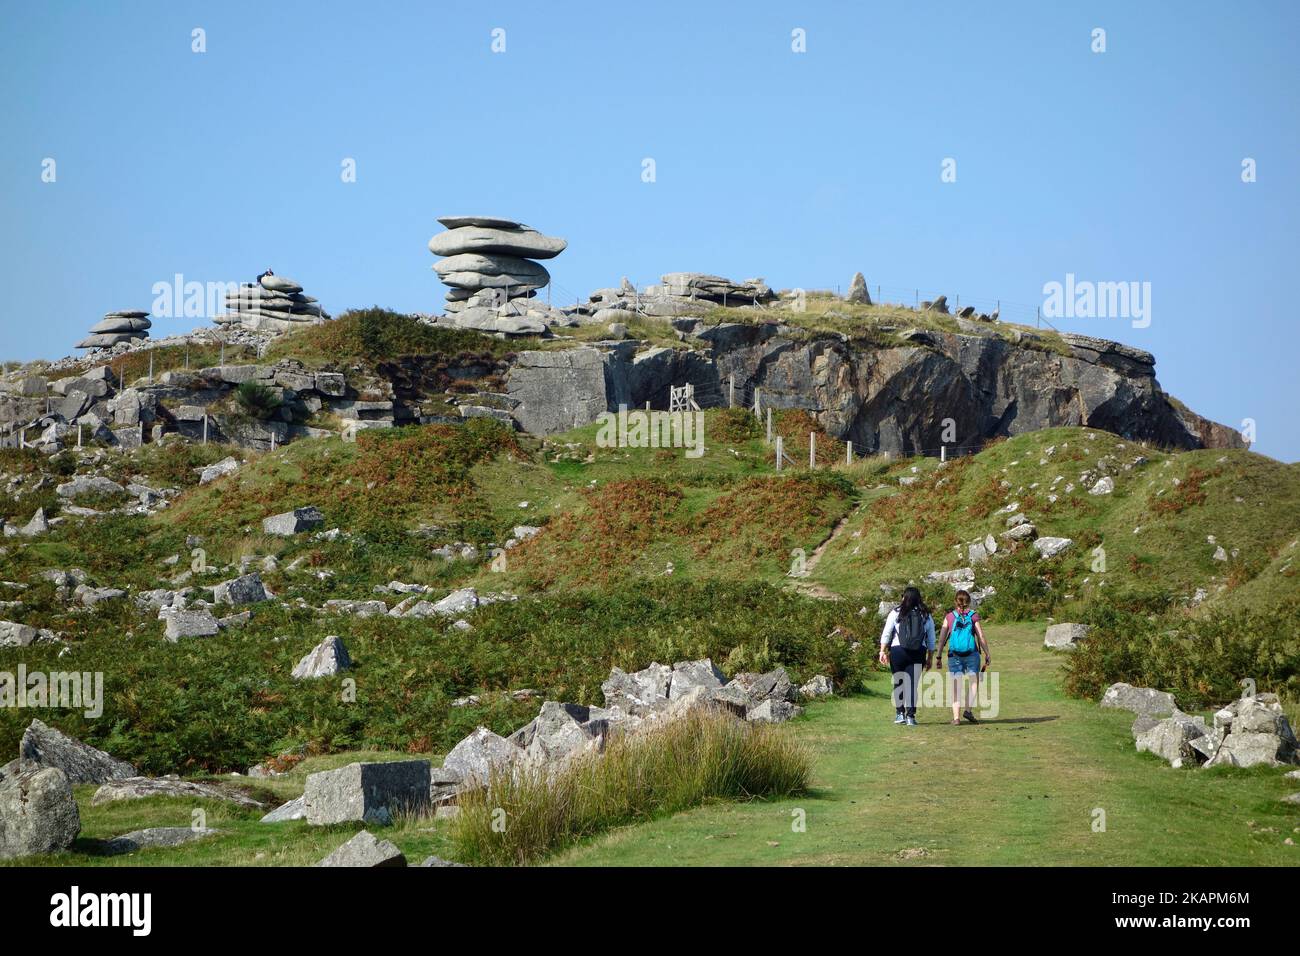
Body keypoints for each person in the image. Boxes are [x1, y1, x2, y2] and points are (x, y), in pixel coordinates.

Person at [878, 586, 934, 726]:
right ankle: (911, 716)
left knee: (899, 682)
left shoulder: (896, 612)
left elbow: (887, 633)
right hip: (918, 652)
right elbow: (931, 639)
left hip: (898, 651)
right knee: (912, 684)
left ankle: (899, 714)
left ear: (904, 598)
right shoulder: (925, 614)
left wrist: (882, 651)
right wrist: (930, 657)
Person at [936, 589, 991, 725]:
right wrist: (987, 653)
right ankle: (968, 710)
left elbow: (942, 638)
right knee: (973, 683)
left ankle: (956, 718)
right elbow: (980, 636)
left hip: (954, 655)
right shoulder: (973, 616)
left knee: (956, 685)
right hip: (971, 654)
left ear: (955, 601)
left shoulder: (949, 617)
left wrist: (938, 656)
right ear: (969, 602)